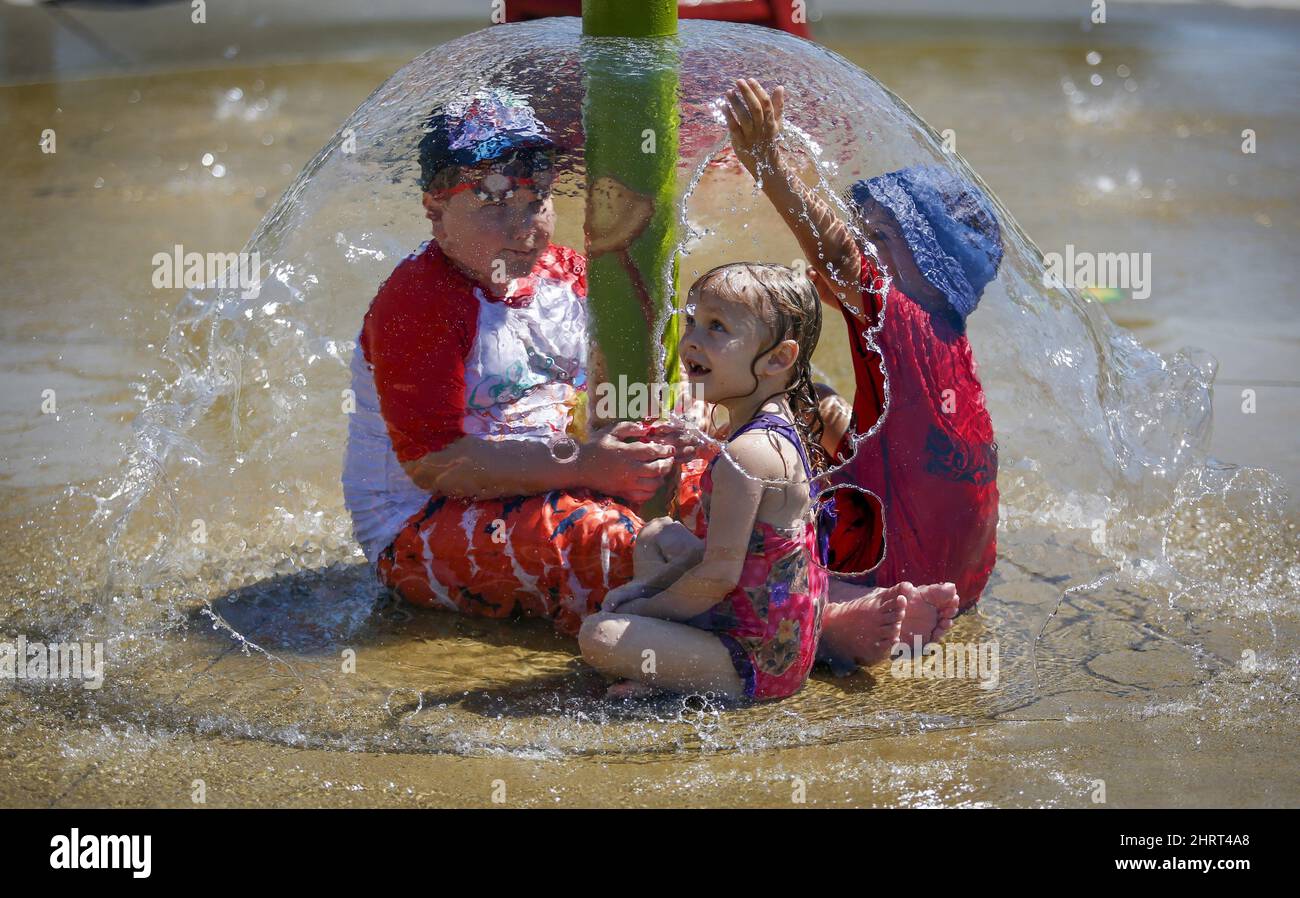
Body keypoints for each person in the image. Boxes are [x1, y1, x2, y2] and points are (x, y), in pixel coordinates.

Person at [342, 90, 679, 637]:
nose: (525, 227)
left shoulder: (565, 272)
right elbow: (435, 465)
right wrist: (585, 467)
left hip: (564, 469)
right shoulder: (418, 305)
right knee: (602, 540)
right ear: (436, 210)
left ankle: (775, 603)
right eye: (494, 202)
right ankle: (737, 630)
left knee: (721, 480)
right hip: (422, 520)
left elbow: (639, 370)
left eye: (537, 198)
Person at [724, 78, 1003, 667]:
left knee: (714, 534)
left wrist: (766, 160)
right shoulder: (946, 342)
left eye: (878, 237)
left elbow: (839, 257)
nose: (862, 251)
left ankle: (829, 613)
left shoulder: (904, 320)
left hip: (892, 581)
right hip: (957, 581)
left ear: (932, 265)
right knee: (814, 401)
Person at [579, 264, 843, 700]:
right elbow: (724, 557)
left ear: (779, 358)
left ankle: (671, 673)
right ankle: (662, 662)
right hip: (770, 637)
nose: (691, 341)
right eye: (692, 322)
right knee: (658, 535)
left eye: (716, 327)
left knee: (600, 635)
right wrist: (647, 591)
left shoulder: (748, 455)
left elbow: (718, 576)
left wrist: (645, 608)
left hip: (755, 662)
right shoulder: (770, 428)